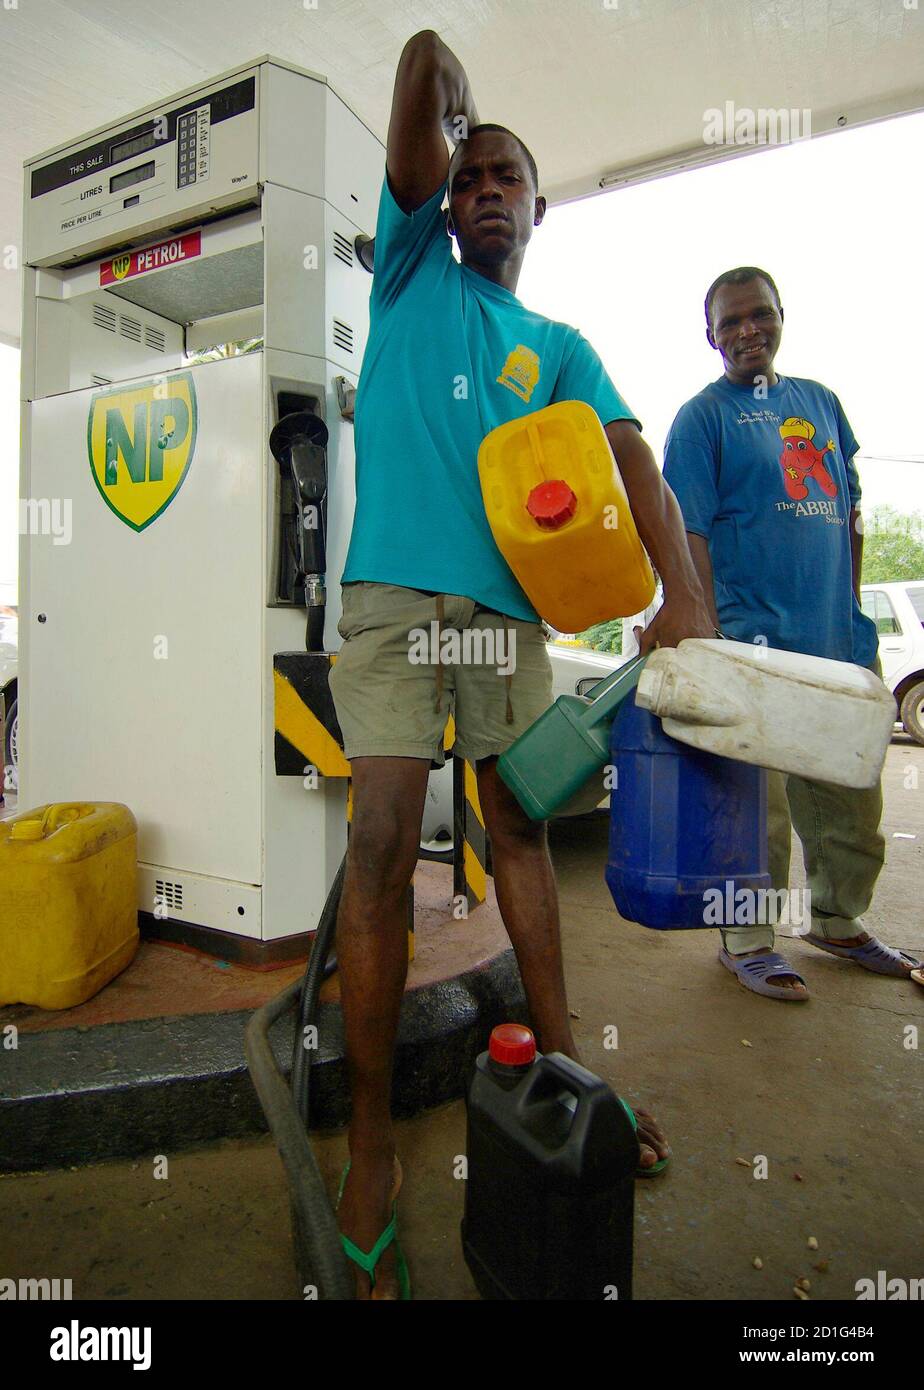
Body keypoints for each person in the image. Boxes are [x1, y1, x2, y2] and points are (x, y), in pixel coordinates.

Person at [327, 28, 714, 1297]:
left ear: (539, 209)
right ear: (446, 192)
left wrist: (684, 600)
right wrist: (456, 129)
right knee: (383, 836)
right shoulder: (403, 270)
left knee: (521, 831)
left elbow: (633, 462)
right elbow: (425, 58)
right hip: (392, 599)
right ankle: (372, 1145)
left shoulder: (555, 341)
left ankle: (570, 1075)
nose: (487, 188)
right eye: (472, 173)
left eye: (510, 179)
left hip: (501, 617)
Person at [663, 265, 922, 1003]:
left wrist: (849, 607)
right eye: (732, 322)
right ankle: (747, 941)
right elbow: (687, 529)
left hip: (834, 641)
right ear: (709, 336)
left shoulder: (822, 404)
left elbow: (850, 512)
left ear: (781, 317)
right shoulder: (702, 417)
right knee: (755, 811)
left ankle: (838, 920)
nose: (749, 330)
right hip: (751, 647)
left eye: (760, 315)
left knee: (849, 796)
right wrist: (705, 632)